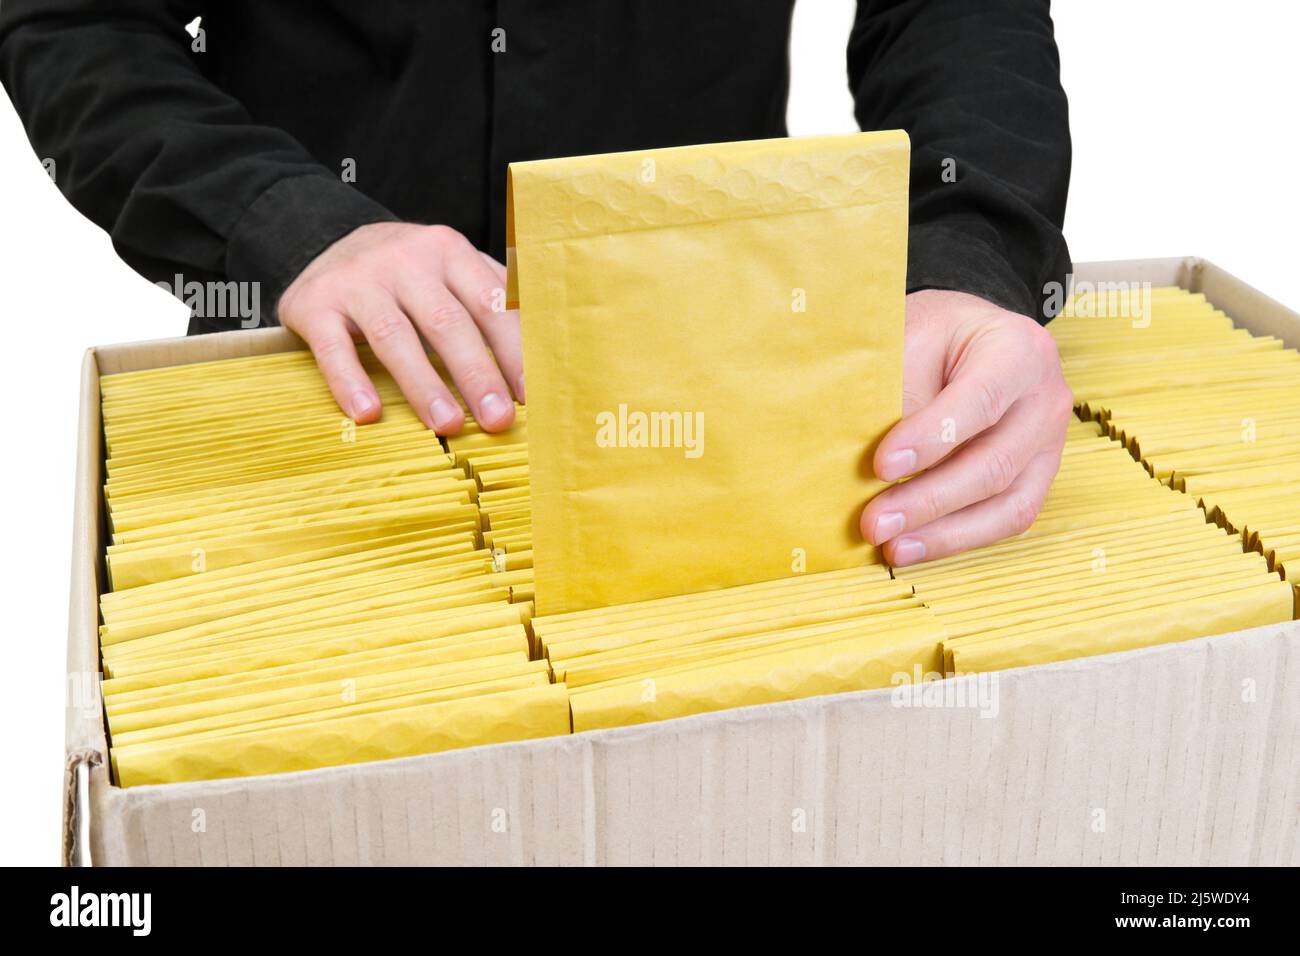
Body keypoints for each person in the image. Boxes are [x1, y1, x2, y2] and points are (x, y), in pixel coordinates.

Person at [0, 0, 1074, 567]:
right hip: (314, 361)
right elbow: (78, 19)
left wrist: (966, 262)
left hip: (729, 385)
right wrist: (288, 221)